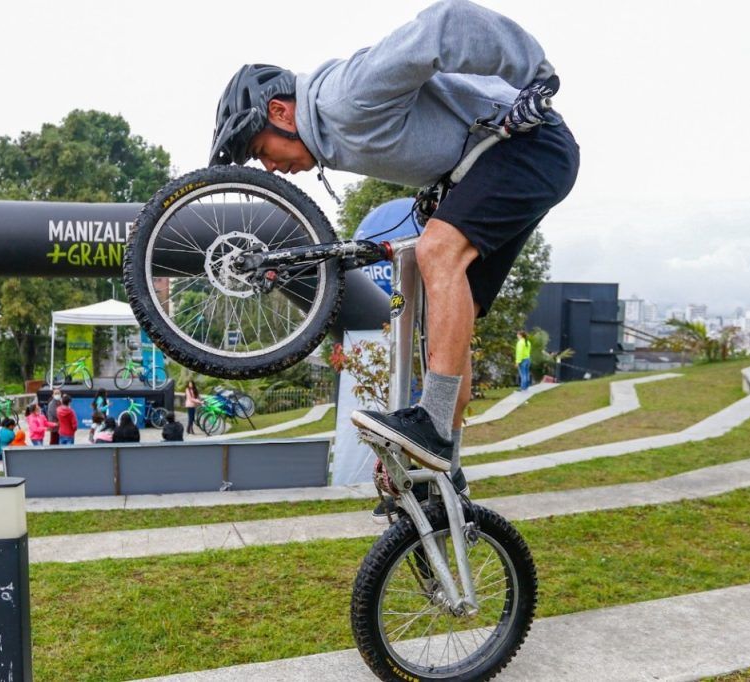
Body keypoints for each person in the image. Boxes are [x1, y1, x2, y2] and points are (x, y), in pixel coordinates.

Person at [209, 1, 579, 495]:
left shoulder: (344, 96)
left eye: (260, 152)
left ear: (280, 112)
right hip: (497, 160)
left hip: (531, 146)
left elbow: (446, 23)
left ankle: (432, 426)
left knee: (436, 252)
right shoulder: (337, 132)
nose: (270, 168)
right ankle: (444, 467)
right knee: (439, 308)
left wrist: (535, 75)